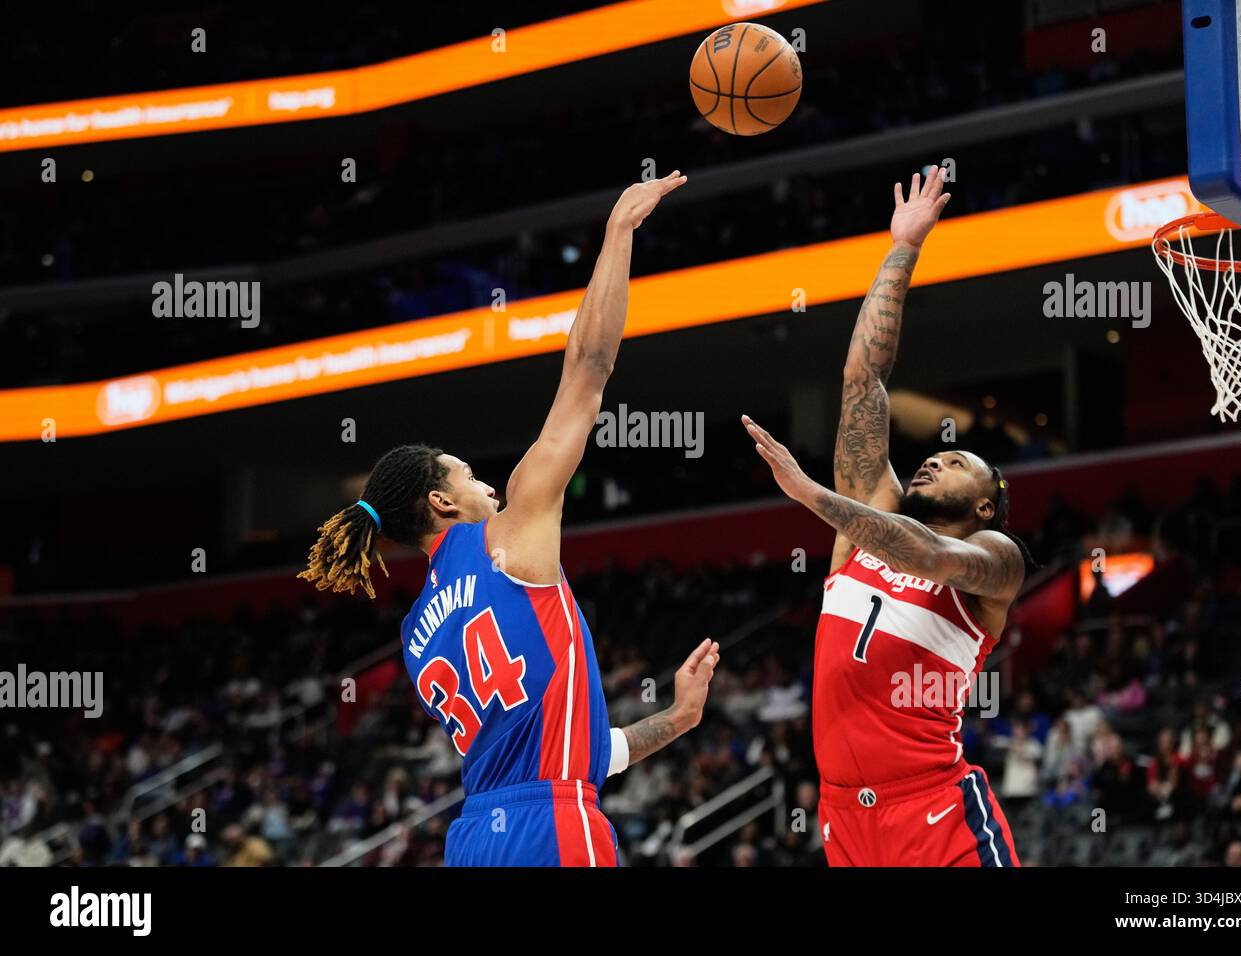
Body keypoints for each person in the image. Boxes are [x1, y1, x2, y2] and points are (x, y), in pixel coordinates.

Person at [300, 173, 720, 866]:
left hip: (475, 837)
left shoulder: (414, 632)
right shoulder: (506, 533)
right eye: (466, 472)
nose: (490, 483)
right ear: (440, 502)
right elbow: (589, 367)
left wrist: (675, 720)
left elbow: (571, 752)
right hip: (553, 827)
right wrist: (617, 234)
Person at [740, 166, 1026, 866]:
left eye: (957, 464)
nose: (934, 460)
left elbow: (925, 555)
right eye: (933, 457)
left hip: (934, 809)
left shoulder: (994, 560)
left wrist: (813, 495)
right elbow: (863, 380)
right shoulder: (863, 531)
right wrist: (902, 249)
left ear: (985, 504)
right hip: (844, 820)